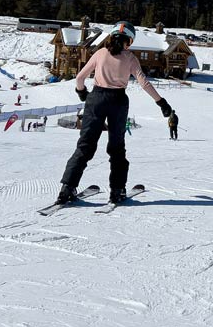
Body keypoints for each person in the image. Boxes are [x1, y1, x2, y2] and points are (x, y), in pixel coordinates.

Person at [54, 21, 172, 206]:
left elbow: (79, 78)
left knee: (85, 146)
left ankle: (67, 188)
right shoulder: (131, 59)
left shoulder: (100, 53)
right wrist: (161, 103)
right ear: (129, 41)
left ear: (111, 37)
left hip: (96, 99)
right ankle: (116, 191)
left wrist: (82, 92)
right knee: (117, 148)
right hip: (118, 102)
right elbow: (144, 84)